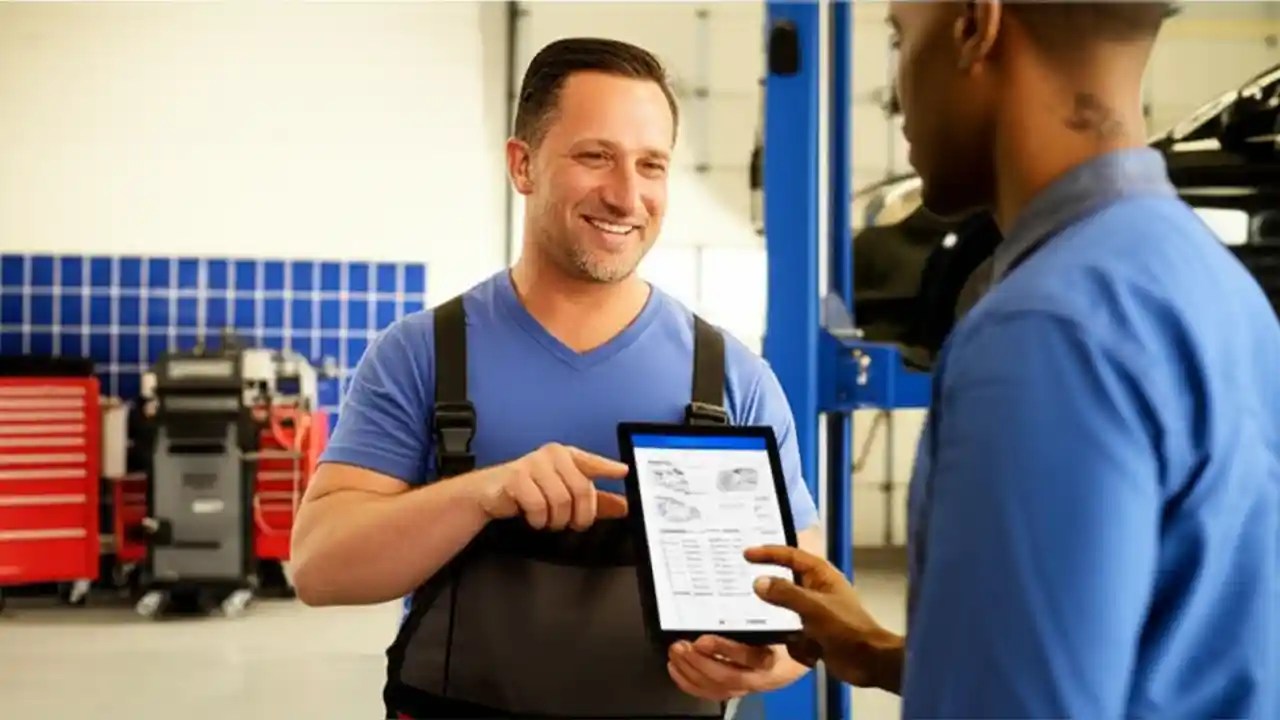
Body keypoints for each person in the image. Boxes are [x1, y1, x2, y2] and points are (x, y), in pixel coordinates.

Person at [746, 2, 1280, 718]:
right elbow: (1162, 654)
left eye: (902, 37)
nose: (898, 83)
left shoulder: (1043, 331)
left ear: (976, 24)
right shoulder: (1209, 284)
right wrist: (880, 654)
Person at [289, 37, 825, 719]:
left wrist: (767, 661)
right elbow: (318, 568)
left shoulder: (730, 379)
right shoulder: (422, 354)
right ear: (523, 165)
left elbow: (807, 602)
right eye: (594, 156)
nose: (627, 194)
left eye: (651, 164)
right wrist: (483, 492)